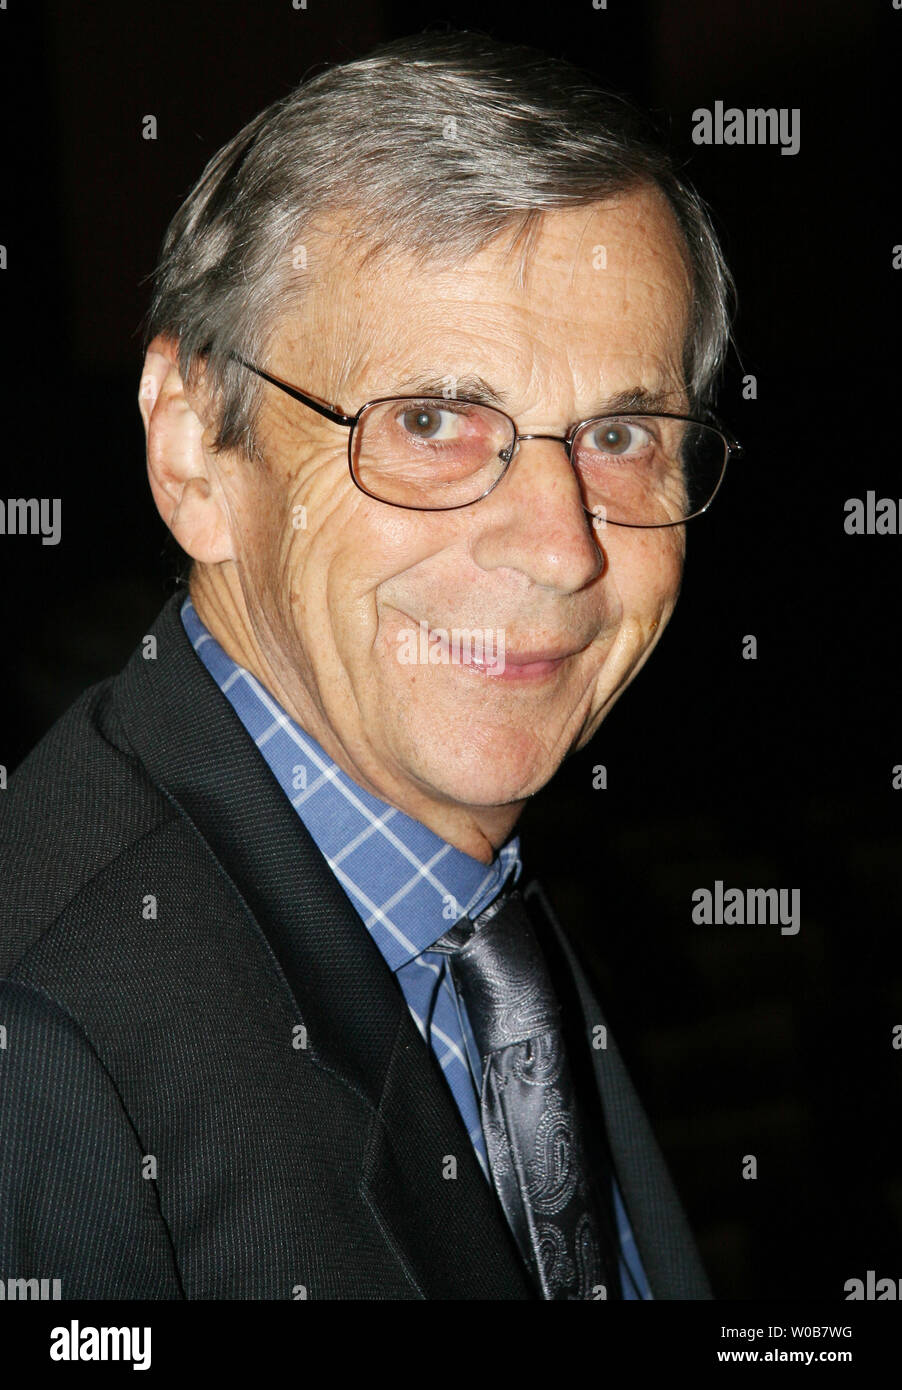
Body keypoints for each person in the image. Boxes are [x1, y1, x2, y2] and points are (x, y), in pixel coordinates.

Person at [0, 29, 739, 1300]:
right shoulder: (45, 1046)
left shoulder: (451, 892)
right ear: (193, 453)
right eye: (431, 421)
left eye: (619, 432)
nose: (560, 550)